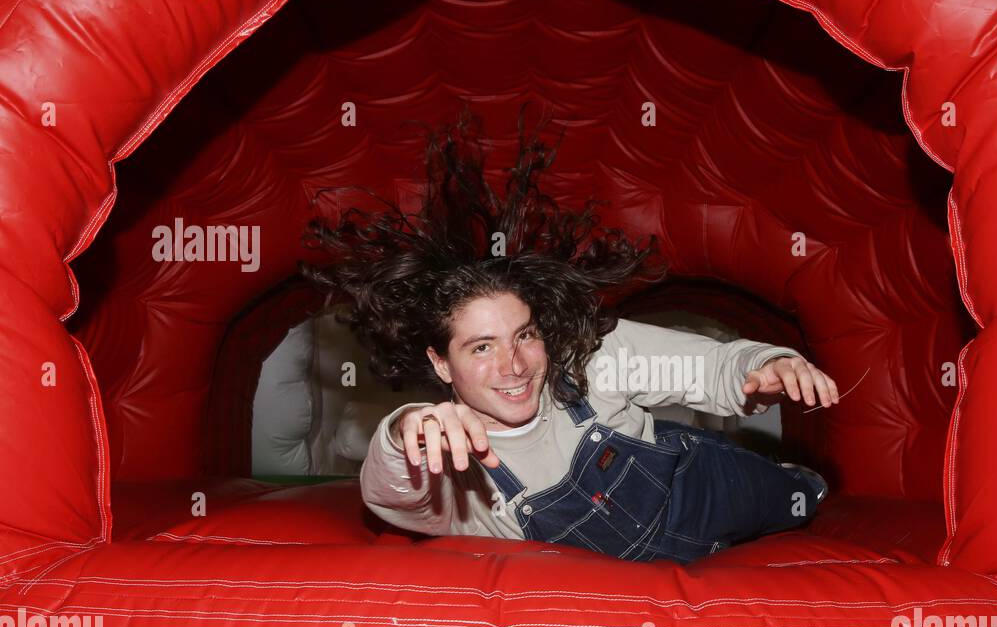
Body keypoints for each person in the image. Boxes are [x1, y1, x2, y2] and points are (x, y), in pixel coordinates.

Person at [299, 102, 838, 563]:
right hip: (638, 574)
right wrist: (406, 434)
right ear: (441, 363)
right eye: (481, 347)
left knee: (804, 497)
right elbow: (388, 497)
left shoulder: (588, 359)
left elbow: (715, 368)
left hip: (702, 484)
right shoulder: (451, 474)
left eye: (524, 335)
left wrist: (767, 365)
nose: (513, 365)